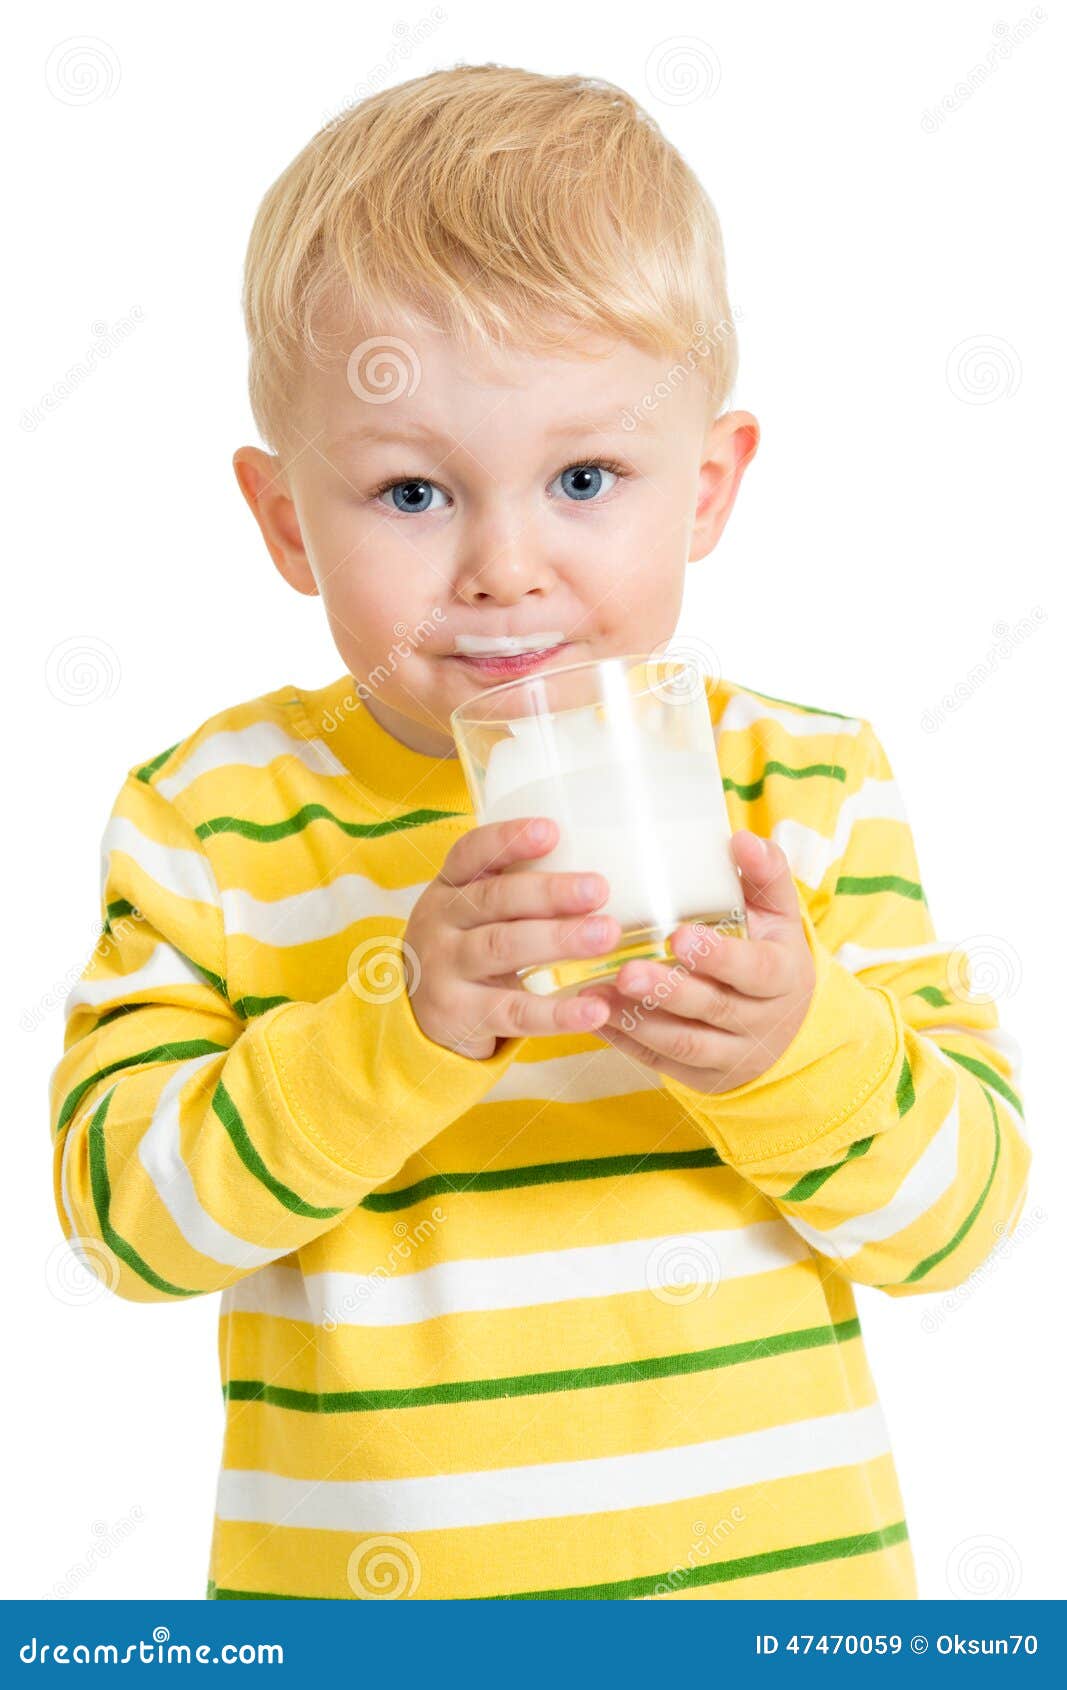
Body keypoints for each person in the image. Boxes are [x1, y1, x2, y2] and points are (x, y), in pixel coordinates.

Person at [49, 63, 1029, 1601]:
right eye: (412, 490)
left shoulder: (803, 785)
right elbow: (125, 1228)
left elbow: (961, 1219)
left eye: (584, 477)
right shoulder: (216, 816)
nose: (505, 566)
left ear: (704, 488)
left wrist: (794, 1046)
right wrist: (400, 1026)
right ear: (289, 519)